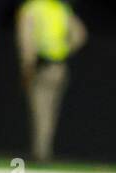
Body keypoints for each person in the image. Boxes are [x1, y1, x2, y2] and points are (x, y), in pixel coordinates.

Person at [16, 0, 87, 163]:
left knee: (40, 111)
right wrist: (63, 51)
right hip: (59, 66)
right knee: (51, 112)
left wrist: (27, 66)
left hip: (40, 66)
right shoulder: (60, 8)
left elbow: (26, 41)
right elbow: (80, 35)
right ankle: (44, 150)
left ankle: (41, 153)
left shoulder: (32, 8)